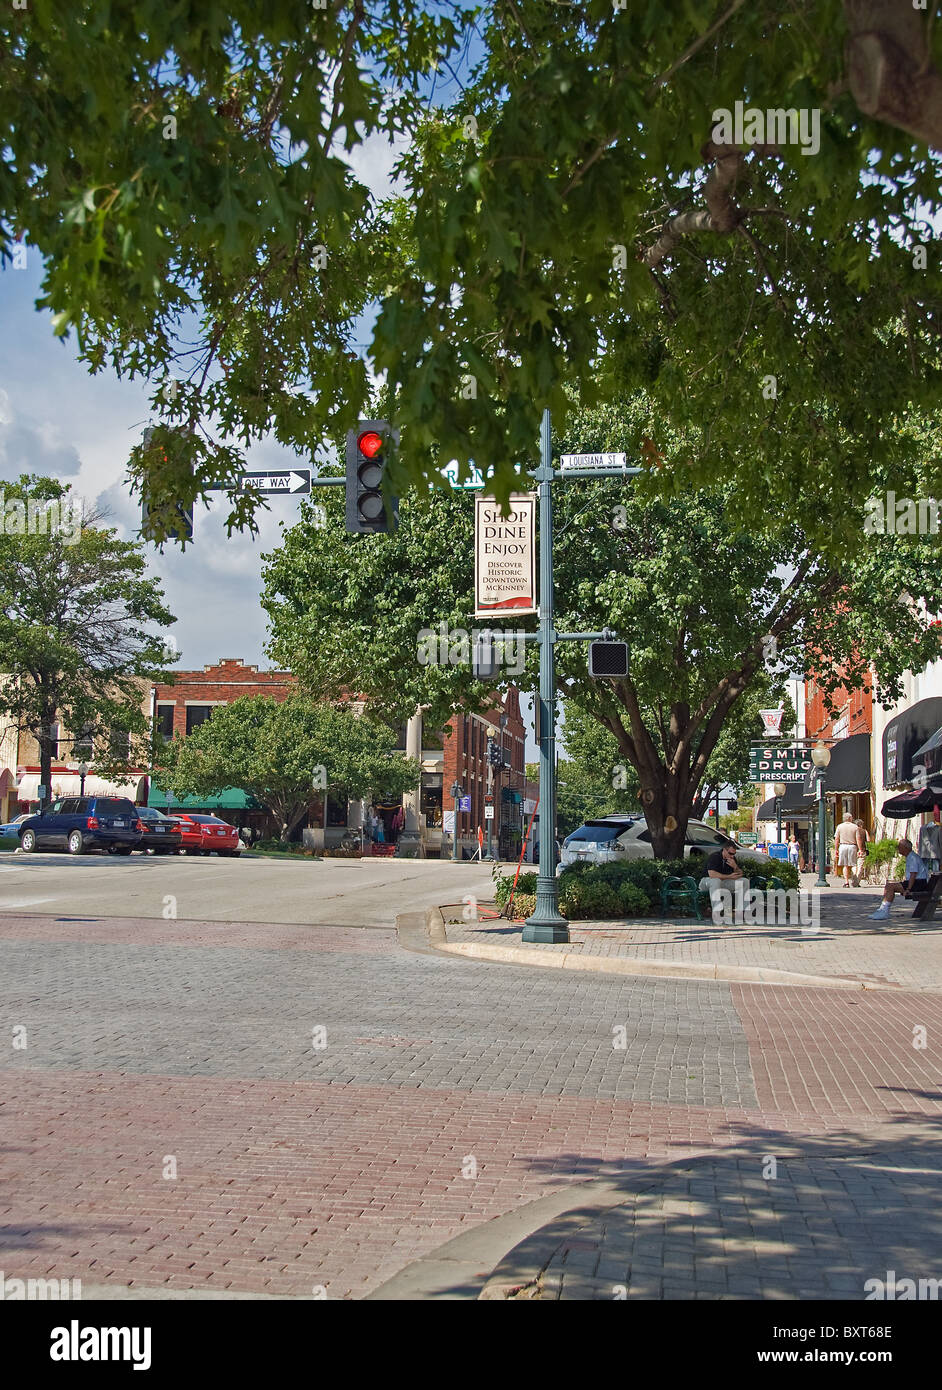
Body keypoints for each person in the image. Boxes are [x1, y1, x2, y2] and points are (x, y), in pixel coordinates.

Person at [868, 839, 929, 920]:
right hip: (917, 882)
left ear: (906, 848)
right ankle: (883, 909)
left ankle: (884, 911)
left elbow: (913, 875)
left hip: (918, 884)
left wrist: (908, 889)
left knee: (890, 887)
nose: (898, 849)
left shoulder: (912, 858)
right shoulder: (910, 856)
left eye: (900, 847)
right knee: (889, 886)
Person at [699, 841, 744, 922]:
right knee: (715, 881)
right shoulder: (715, 856)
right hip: (706, 881)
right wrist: (729, 876)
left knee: (744, 881)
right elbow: (712, 874)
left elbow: (740, 874)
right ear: (724, 850)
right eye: (730, 853)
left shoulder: (732, 859)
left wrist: (735, 867)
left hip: (723, 881)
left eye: (734, 854)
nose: (732, 856)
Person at [834, 812, 859, 887]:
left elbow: (836, 839)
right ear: (850, 818)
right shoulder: (855, 827)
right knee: (854, 864)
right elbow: (858, 838)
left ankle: (846, 881)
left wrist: (836, 849)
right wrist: (859, 848)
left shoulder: (840, 826)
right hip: (852, 846)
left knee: (845, 865)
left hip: (843, 846)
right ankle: (855, 879)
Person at [851, 818, 869, 887]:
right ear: (861, 825)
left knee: (854, 865)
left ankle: (853, 879)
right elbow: (868, 840)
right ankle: (856, 882)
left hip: (852, 849)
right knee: (860, 866)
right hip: (861, 850)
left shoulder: (852, 831)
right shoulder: (864, 831)